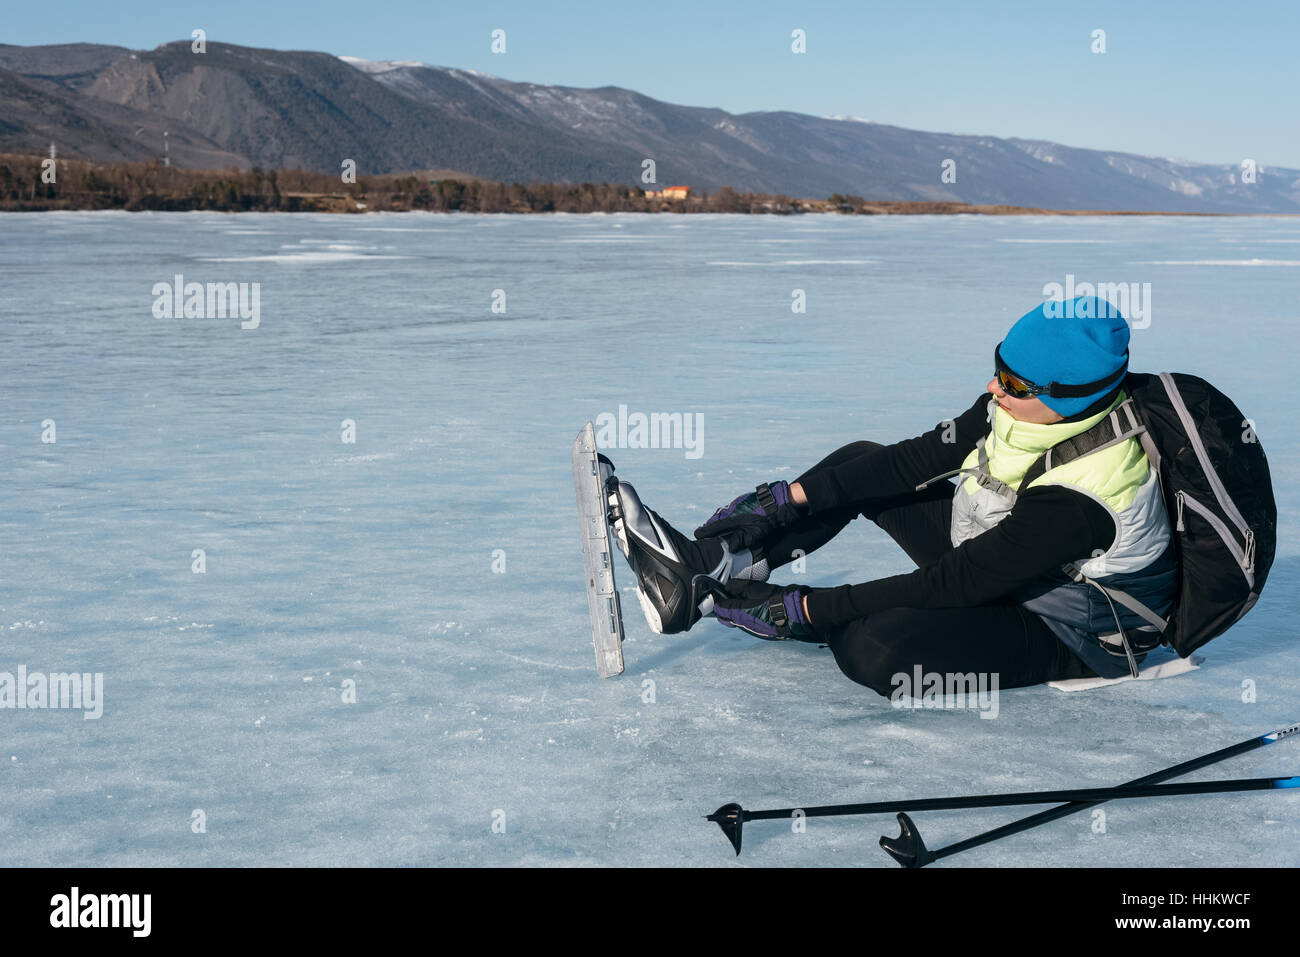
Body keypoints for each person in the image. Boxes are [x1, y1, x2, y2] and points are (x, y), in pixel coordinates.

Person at [606, 296, 1177, 697]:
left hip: (1070, 630)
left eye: (1014, 384)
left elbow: (957, 584)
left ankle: (718, 597)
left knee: (873, 648)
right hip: (999, 561)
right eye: (998, 367)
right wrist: (781, 501)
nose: (993, 388)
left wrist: (801, 607)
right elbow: (913, 461)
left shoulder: (1086, 494)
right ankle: (705, 566)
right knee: (864, 460)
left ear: (1075, 396)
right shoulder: (1006, 409)